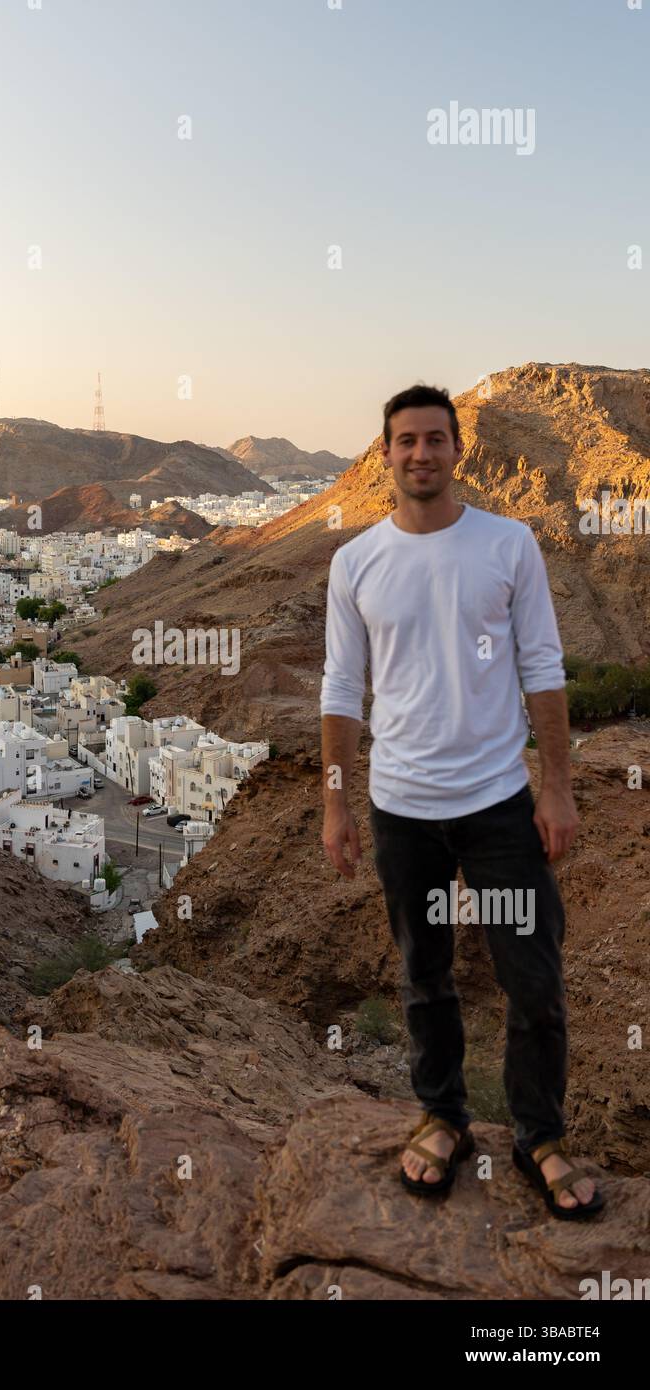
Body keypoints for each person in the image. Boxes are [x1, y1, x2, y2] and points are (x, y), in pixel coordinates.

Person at [320, 383, 603, 1219]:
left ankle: (539, 1136)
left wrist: (556, 786)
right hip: (402, 808)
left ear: (457, 451)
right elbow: (341, 688)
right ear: (385, 454)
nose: (421, 454)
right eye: (405, 441)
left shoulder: (507, 545)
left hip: (496, 806)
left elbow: (542, 666)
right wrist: (336, 807)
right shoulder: (356, 560)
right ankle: (442, 1117)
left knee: (533, 978)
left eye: (435, 440)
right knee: (423, 975)